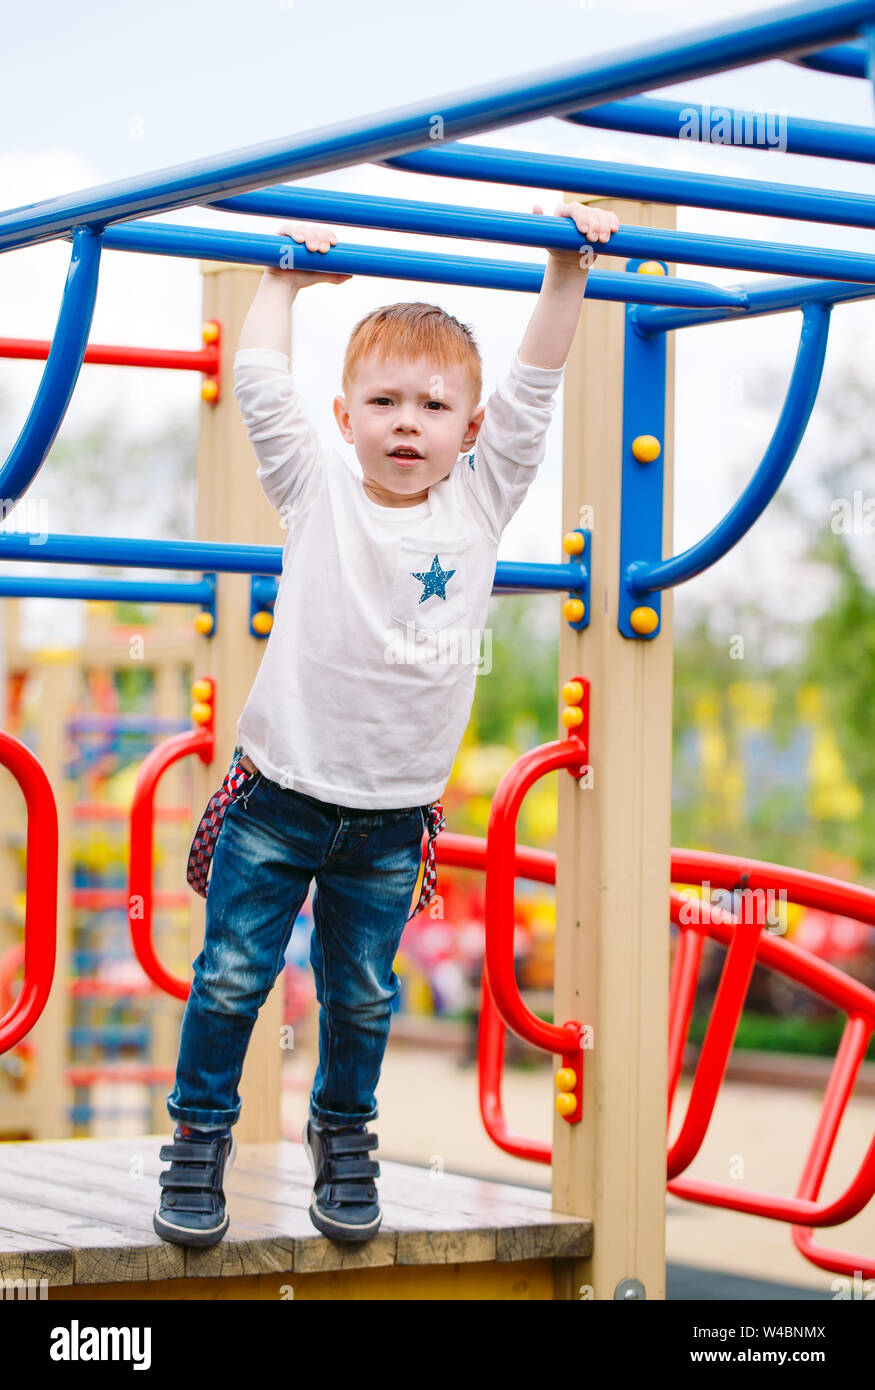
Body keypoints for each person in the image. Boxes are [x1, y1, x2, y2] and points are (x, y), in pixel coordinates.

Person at [153, 202, 619, 1248]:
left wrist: (563, 268)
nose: (407, 422)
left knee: (361, 998)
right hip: (275, 798)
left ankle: (345, 1135)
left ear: (470, 426)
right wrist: (283, 282)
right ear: (346, 413)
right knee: (231, 978)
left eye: (432, 404)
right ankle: (197, 1139)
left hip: (390, 822)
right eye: (384, 401)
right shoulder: (315, 488)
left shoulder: (483, 501)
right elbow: (262, 390)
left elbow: (537, 382)